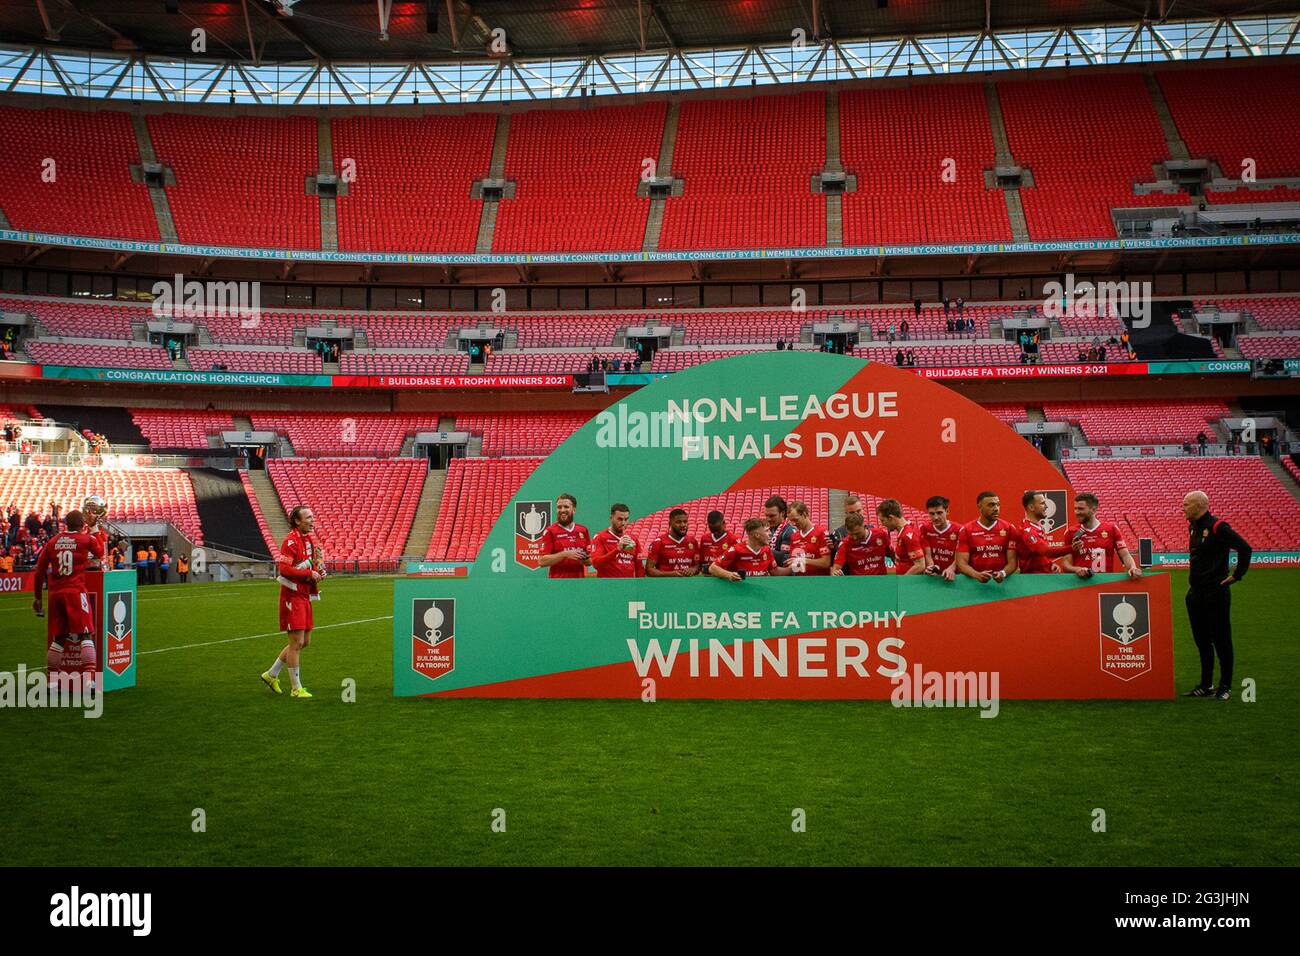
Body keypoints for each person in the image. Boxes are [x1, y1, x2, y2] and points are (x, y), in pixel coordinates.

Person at [1180, 491, 1251, 700]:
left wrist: (1236, 575)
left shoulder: (1218, 527)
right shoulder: (1193, 527)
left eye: (1186, 504)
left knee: (1221, 640)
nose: (1182, 508)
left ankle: (1225, 686)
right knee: (1202, 640)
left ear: (1199, 506)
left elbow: (1245, 548)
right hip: (1195, 593)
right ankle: (1206, 684)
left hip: (1215, 593)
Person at [31, 510, 104, 693]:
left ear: (65, 524)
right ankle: (89, 682)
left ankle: (51, 683)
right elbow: (100, 552)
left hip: (56, 594)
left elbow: (39, 572)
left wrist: (38, 597)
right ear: (82, 525)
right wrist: (95, 528)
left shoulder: (53, 541)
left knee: (59, 638)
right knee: (86, 634)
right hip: (75, 592)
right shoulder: (85, 539)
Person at [261, 505, 323, 699]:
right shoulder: (290, 541)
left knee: (305, 641)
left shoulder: (308, 540)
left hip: (304, 595)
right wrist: (307, 573)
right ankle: (296, 688)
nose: (312, 520)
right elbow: (284, 570)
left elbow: (311, 564)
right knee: (296, 642)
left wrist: (318, 572)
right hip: (292, 596)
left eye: (312, 517)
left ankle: (271, 674)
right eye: (308, 517)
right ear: (297, 521)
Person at [1060, 492, 1141, 579]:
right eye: (1075, 508)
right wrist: (1077, 569)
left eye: (1081, 509)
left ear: (1093, 509)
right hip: (1081, 586)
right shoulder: (1070, 532)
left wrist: (1132, 567)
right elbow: (1065, 565)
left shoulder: (1111, 529)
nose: (1077, 512)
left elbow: (1125, 555)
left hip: (1105, 584)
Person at [955, 491, 1018, 583]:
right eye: (991, 505)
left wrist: (1003, 573)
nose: (996, 508)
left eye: (997, 505)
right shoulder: (966, 530)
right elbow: (961, 563)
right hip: (974, 584)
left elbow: (1013, 562)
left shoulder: (1009, 528)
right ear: (980, 506)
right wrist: (977, 575)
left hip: (1002, 583)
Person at [709, 518, 792, 580]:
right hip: (742, 595)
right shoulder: (736, 550)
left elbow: (775, 571)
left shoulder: (767, 550)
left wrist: (793, 568)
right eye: (766, 531)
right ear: (757, 535)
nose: (770, 534)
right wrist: (729, 575)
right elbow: (712, 568)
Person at [1017, 491, 1077, 574]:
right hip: (1033, 580)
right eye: (1042, 503)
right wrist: (1072, 548)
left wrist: (1050, 564)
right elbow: (1046, 552)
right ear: (1031, 507)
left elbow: (1040, 555)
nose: (1046, 506)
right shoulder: (1028, 531)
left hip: (1043, 577)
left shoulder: (1038, 526)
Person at [537, 493, 591, 578]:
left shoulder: (583, 530)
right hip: (558, 585)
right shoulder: (550, 531)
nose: (562, 510)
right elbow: (542, 562)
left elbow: (589, 562)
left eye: (566, 507)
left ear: (574, 509)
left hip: (579, 584)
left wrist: (584, 558)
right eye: (559, 507)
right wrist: (565, 554)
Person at [591, 503, 644, 578]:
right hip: (608, 586)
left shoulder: (633, 539)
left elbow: (639, 568)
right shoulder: (600, 537)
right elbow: (596, 564)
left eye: (626, 519)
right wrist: (617, 550)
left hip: (628, 586)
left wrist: (640, 587)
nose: (623, 523)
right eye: (620, 519)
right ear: (611, 518)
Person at [875, 498, 925, 574]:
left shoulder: (908, 535)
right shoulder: (904, 531)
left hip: (910, 584)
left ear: (891, 518)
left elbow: (920, 565)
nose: (882, 524)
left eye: (883, 520)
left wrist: (903, 580)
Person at [645, 508, 698, 577]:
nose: (683, 525)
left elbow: (698, 565)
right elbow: (649, 570)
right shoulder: (658, 543)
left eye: (685, 521)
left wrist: (693, 569)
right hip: (666, 585)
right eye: (678, 522)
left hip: (688, 585)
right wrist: (670, 574)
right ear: (670, 524)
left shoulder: (693, 542)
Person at [786, 501, 832, 575]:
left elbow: (826, 562)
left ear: (804, 514)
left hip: (819, 581)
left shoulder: (821, 532)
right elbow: (796, 567)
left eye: (795, 520)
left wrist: (804, 560)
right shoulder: (794, 536)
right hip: (801, 582)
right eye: (791, 521)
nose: (793, 524)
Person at [763, 496, 796, 568]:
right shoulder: (767, 529)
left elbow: (785, 558)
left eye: (772, 516)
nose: (768, 519)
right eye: (766, 515)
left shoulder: (789, 531)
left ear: (783, 513)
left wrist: (762, 550)